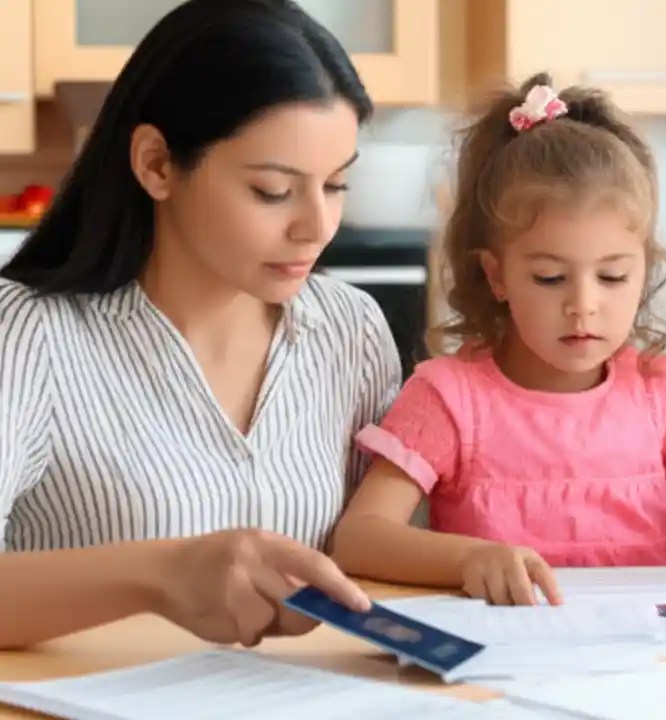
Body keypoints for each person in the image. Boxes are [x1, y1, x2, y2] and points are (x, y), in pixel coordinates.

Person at [331, 75, 666, 606]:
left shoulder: (664, 392)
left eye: (612, 277)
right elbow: (360, 538)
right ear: (497, 277)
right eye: (549, 278)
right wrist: (470, 558)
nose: (583, 305)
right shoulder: (449, 398)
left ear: (645, 271)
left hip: (645, 659)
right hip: (504, 655)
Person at [0, 0, 395, 649]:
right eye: (273, 190)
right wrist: (160, 573)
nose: (317, 228)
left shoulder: (350, 331)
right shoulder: (27, 336)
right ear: (156, 164)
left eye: (336, 185)